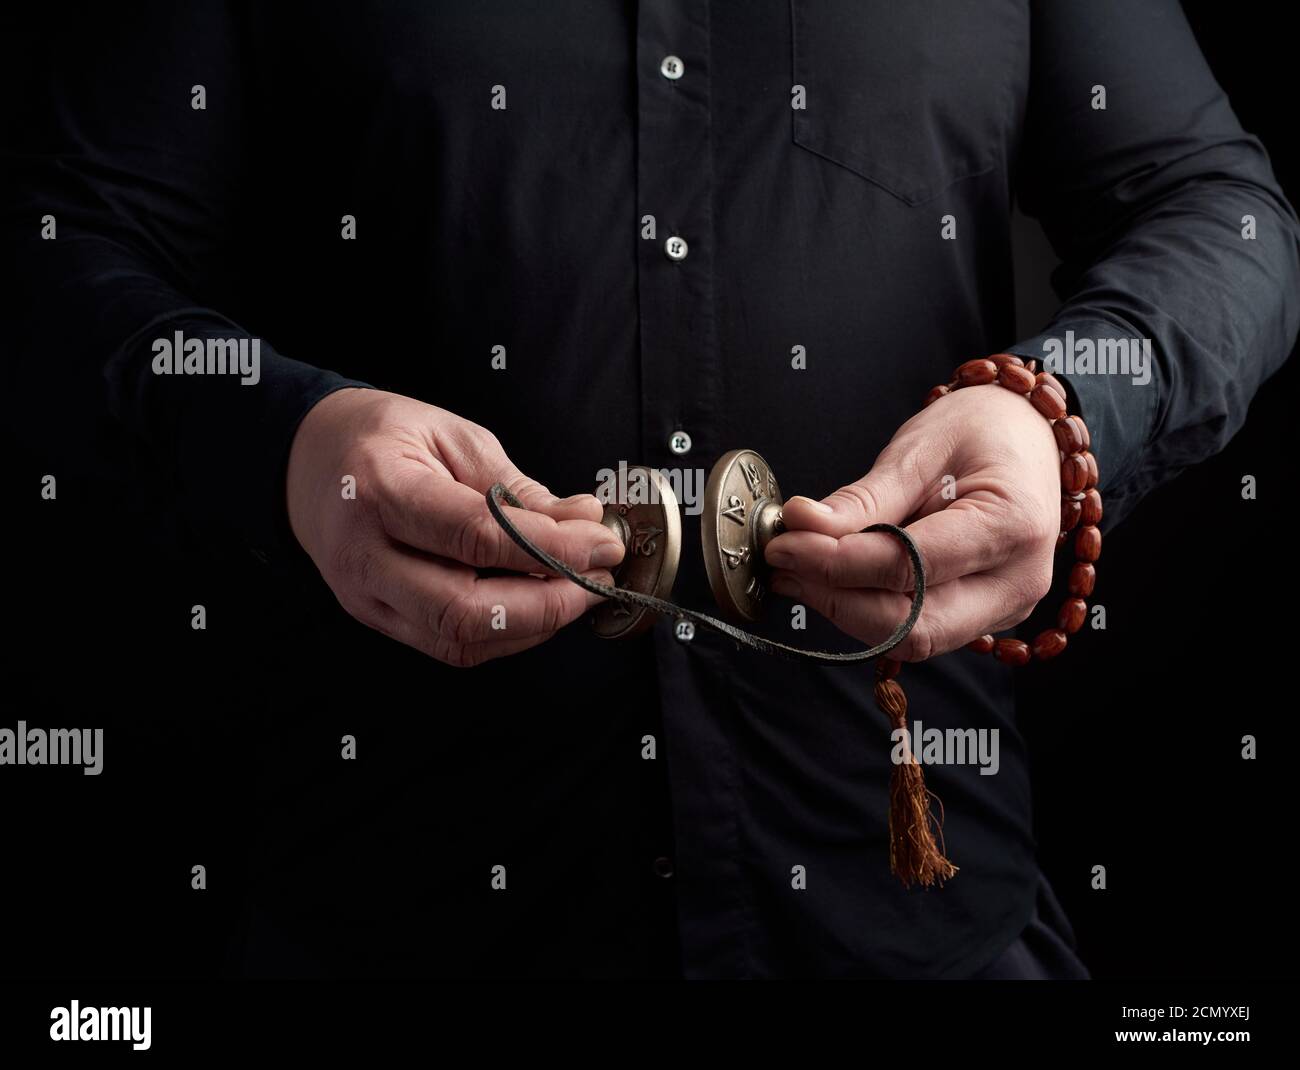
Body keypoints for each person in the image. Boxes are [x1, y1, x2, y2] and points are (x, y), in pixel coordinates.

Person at [3, 1, 1296, 978]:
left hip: (918, 921)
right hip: (400, 910)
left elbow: (1219, 214)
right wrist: (282, 440)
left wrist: (1059, 414)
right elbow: (58, 250)